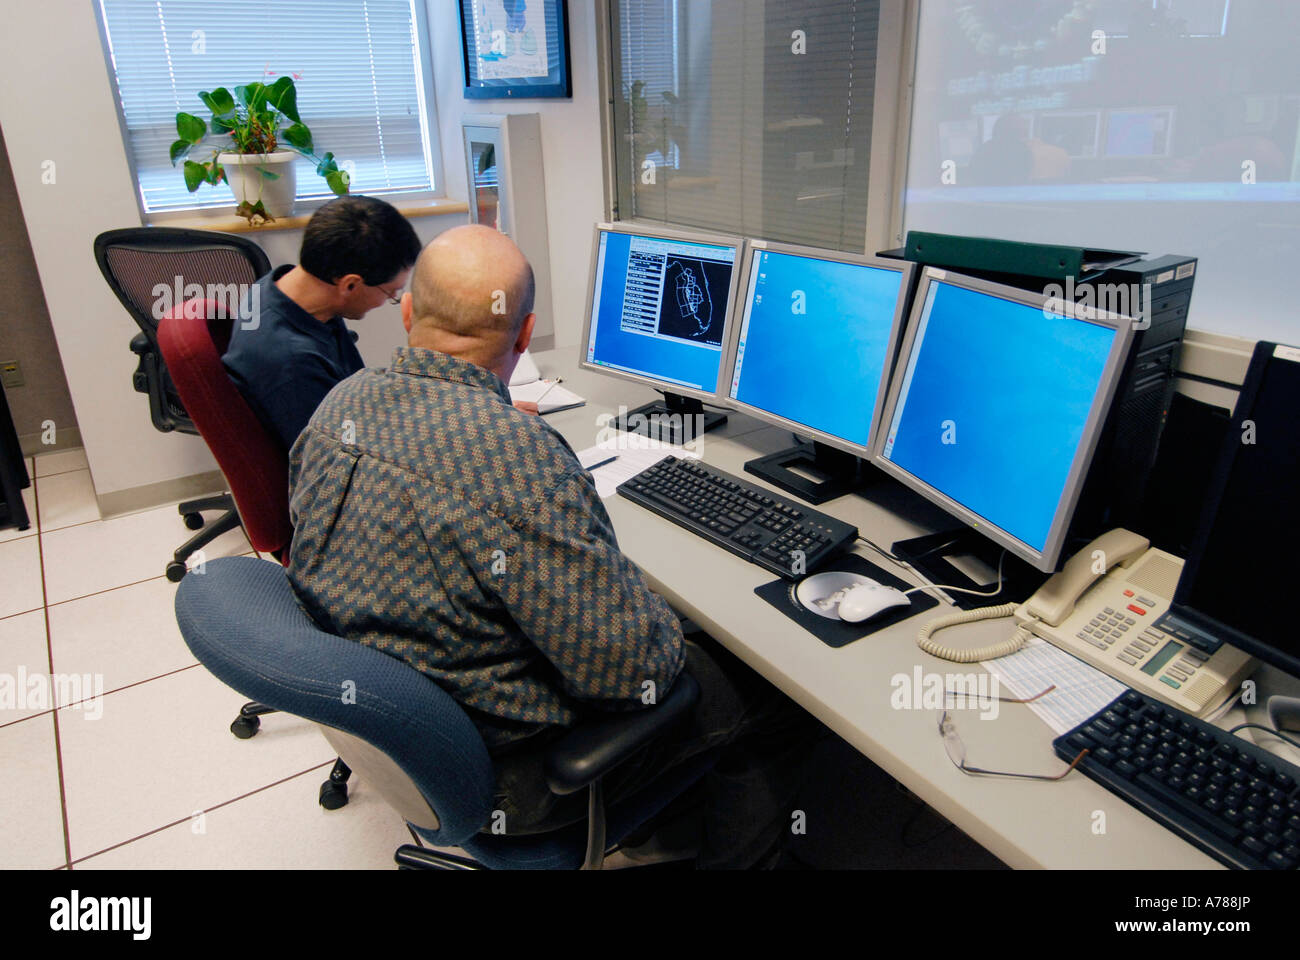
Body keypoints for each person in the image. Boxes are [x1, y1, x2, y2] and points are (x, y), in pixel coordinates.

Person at [285, 224, 818, 868]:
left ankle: (664, 821)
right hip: (513, 777)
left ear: (406, 310)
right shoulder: (515, 457)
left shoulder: (338, 405)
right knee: (770, 685)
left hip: (404, 734)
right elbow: (634, 675)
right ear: (526, 330)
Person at [222, 195, 422, 451]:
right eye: (391, 293)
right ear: (350, 284)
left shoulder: (277, 286)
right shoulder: (291, 364)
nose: (393, 299)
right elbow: (337, 460)